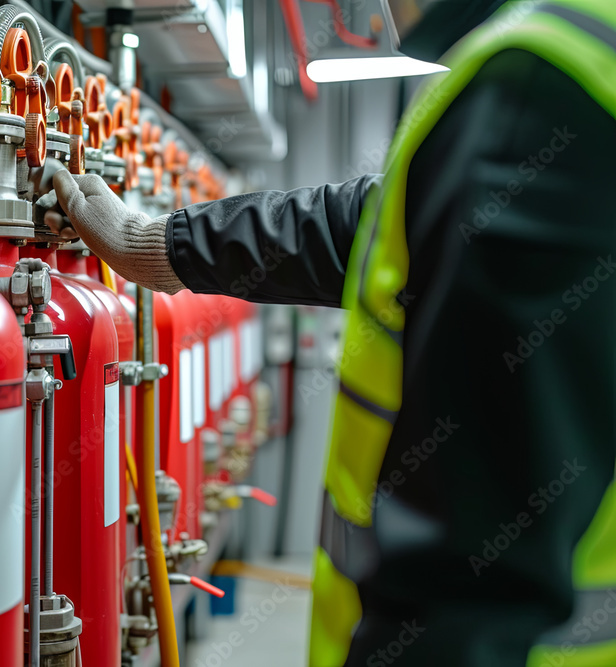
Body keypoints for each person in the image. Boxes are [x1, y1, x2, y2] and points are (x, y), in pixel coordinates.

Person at [46, 1, 616, 665]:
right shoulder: (549, 67)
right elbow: (374, 223)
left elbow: (477, 575)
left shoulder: (534, 85)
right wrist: (162, 242)